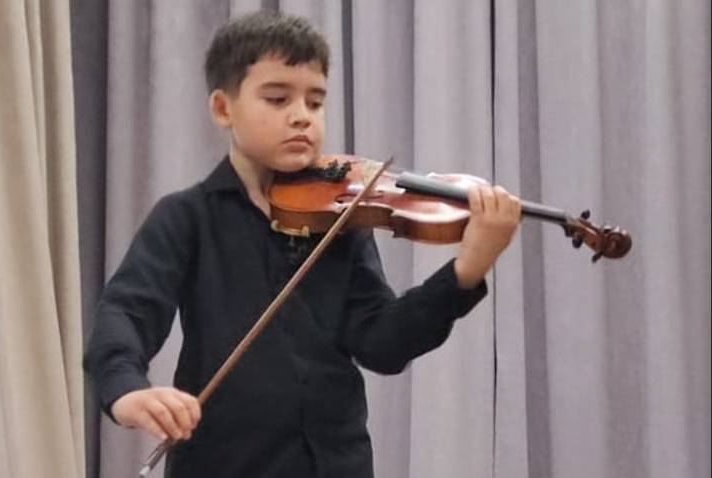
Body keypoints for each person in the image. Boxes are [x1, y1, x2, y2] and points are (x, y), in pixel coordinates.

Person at [84, 9, 521, 478]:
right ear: (223, 108)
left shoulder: (342, 219)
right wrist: (127, 389)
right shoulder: (187, 217)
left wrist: (465, 272)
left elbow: (381, 345)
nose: (301, 117)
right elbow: (126, 311)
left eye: (315, 103)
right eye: (277, 99)